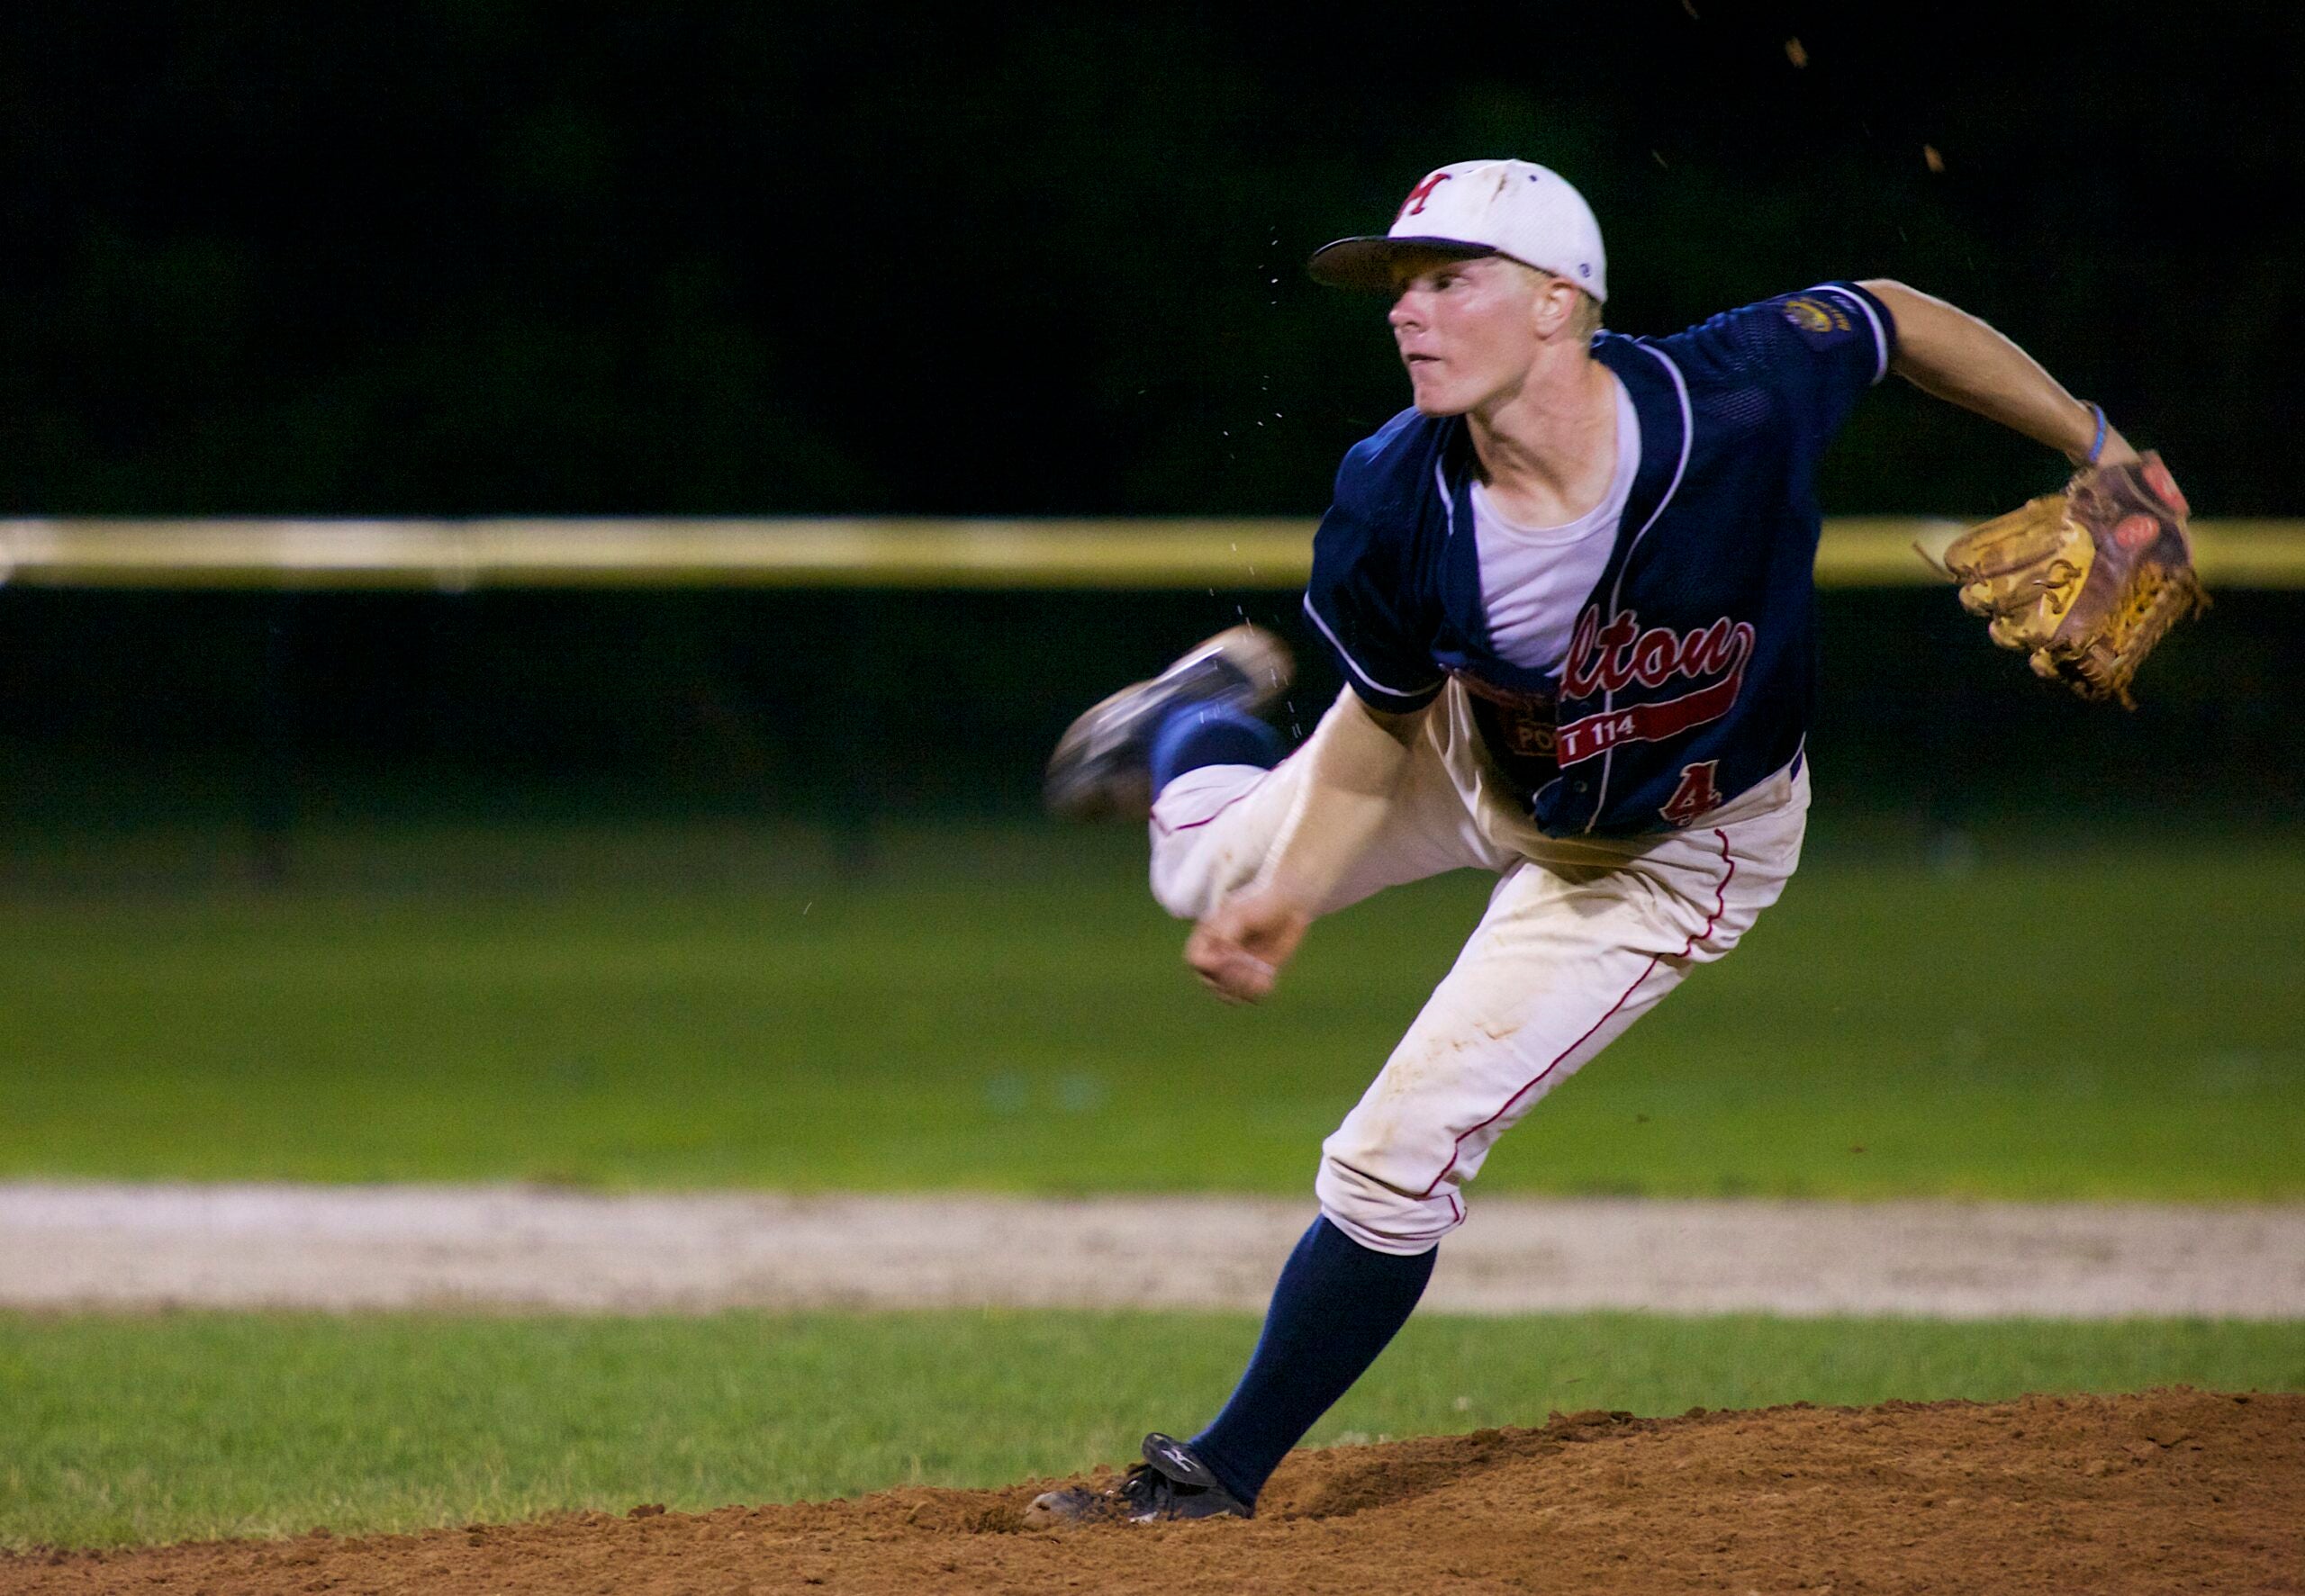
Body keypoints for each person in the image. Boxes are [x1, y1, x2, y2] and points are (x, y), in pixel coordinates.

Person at [1029, 158, 2146, 1526]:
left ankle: (1217, 1474)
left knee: (1398, 1145)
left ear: (1560, 303)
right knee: (1198, 871)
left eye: (1451, 279)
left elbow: (1892, 311)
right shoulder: (1392, 494)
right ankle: (1191, 721)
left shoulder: (1728, 398)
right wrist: (1296, 895)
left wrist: (2099, 445)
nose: (1408, 312)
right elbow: (1380, 726)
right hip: (1469, 743)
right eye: (1398, 286)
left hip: (1665, 851)